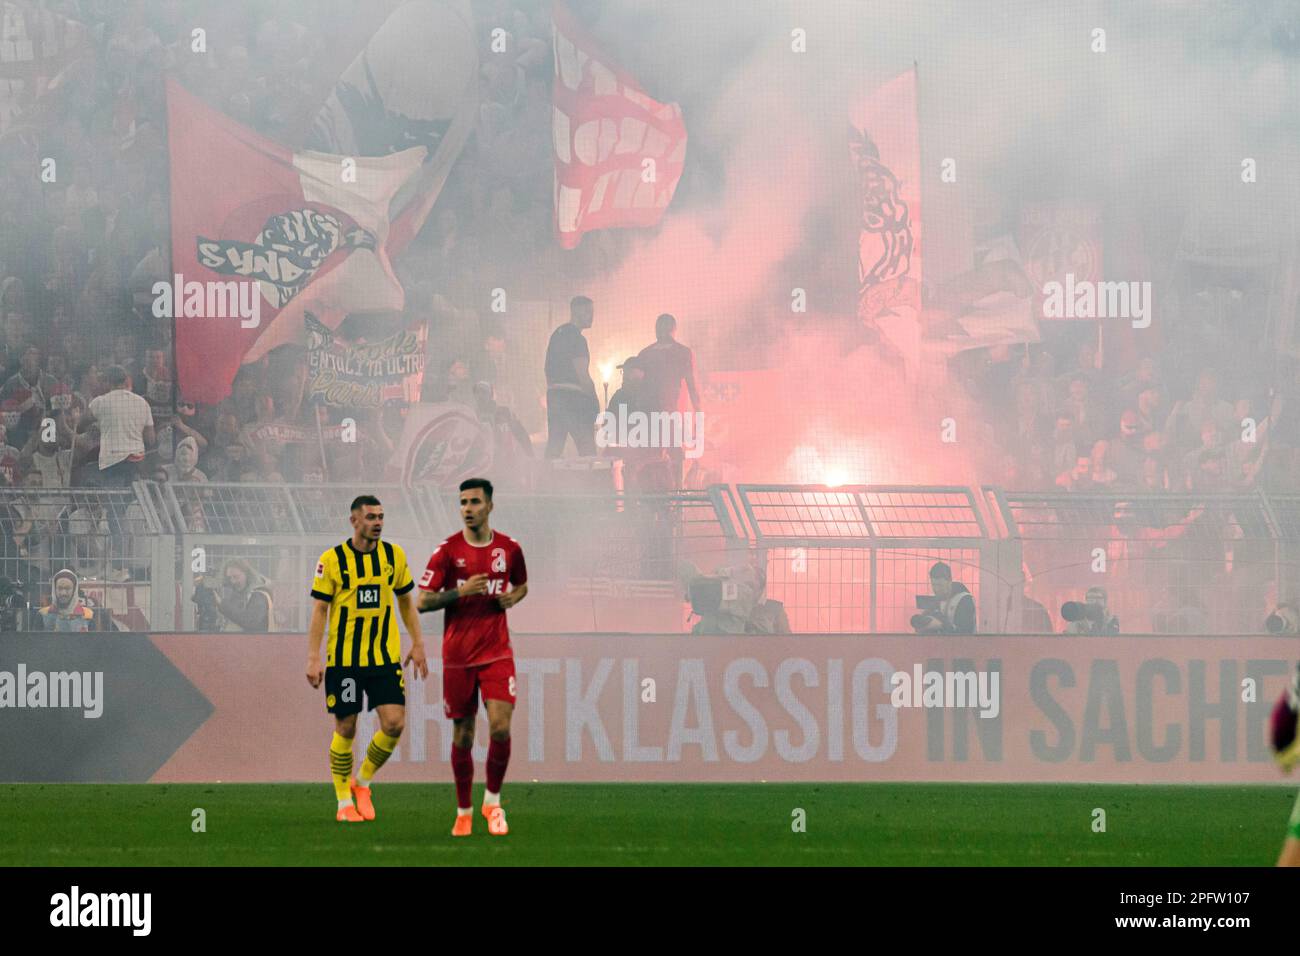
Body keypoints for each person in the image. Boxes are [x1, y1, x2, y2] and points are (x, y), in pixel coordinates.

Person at [305, 495, 428, 823]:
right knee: (346, 726)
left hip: (384, 659)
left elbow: (405, 601)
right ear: (354, 521)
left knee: (394, 723)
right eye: (371, 517)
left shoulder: (393, 555)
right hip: (345, 660)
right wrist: (313, 657)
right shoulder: (332, 560)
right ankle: (343, 802)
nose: (378, 522)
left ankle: (363, 783)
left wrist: (417, 643)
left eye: (381, 517)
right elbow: (320, 610)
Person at [417, 478, 528, 837]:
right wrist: (459, 592)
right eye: (463, 502)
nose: (467, 508)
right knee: (463, 734)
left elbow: (522, 583)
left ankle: (492, 802)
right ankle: (464, 810)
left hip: (497, 652)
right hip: (458, 656)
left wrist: (514, 598)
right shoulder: (447, 551)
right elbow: (423, 601)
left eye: (475, 502)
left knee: (500, 726)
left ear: (490, 505)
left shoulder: (510, 548)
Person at [635, 313, 701, 488]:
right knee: (676, 458)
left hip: (647, 418)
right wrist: (699, 414)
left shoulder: (644, 354)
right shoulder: (683, 353)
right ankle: (677, 501)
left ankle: (653, 502)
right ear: (674, 330)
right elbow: (692, 386)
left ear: (656, 330)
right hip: (672, 415)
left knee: (651, 459)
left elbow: (636, 388)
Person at [543, 295, 597, 458]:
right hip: (573, 399)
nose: (592, 316)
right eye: (588, 311)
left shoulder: (557, 334)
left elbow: (547, 369)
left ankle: (545, 481)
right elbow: (582, 373)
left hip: (554, 397)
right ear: (576, 311)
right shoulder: (577, 338)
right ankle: (591, 482)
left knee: (554, 447)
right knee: (587, 448)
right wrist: (593, 399)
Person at [85, 364, 154, 487]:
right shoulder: (143, 403)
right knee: (133, 503)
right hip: (136, 464)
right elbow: (150, 439)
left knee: (114, 503)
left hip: (111, 463)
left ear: (107, 382)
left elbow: (80, 425)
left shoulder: (100, 402)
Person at [207, 557, 273, 632]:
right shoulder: (240, 591)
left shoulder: (259, 595)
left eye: (236, 577)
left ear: (247, 574)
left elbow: (250, 622)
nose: (233, 581)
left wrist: (222, 604)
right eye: (229, 578)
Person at [911, 561, 976, 634]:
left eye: (940, 585)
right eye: (933, 585)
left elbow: (965, 633)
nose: (936, 589)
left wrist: (940, 625)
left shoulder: (964, 600)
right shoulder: (936, 599)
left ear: (949, 582)